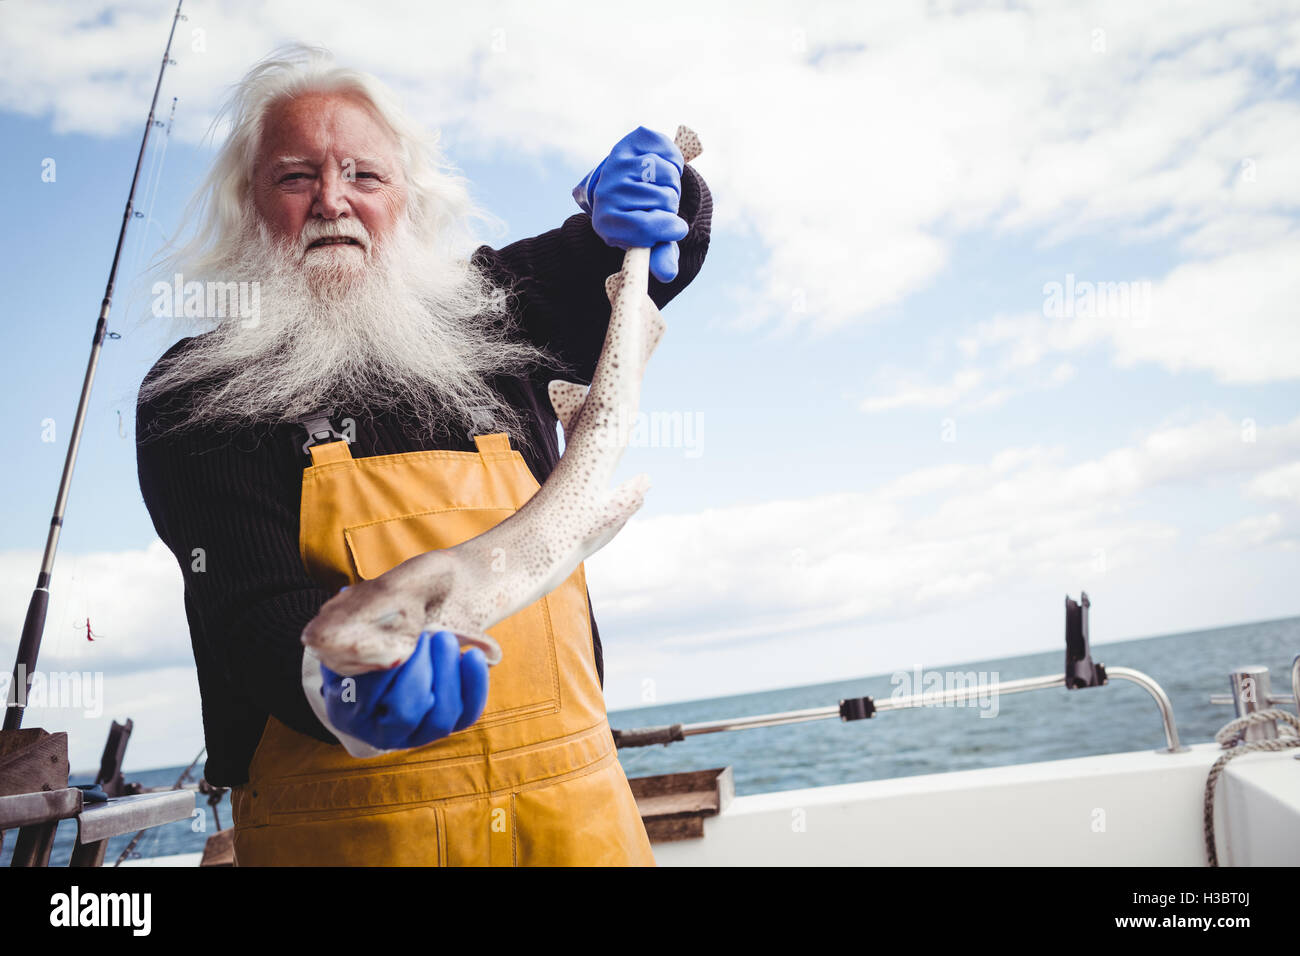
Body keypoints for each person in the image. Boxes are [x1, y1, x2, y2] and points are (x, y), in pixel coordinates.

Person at [135, 44, 712, 866]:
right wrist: (333, 686)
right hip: (346, 835)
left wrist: (665, 189)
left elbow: (636, 255)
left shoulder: (495, 315)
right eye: (296, 176)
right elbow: (248, 608)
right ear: (248, 204)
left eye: (364, 177)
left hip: (577, 823)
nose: (333, 201)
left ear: (408, 201)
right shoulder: (196, 395)